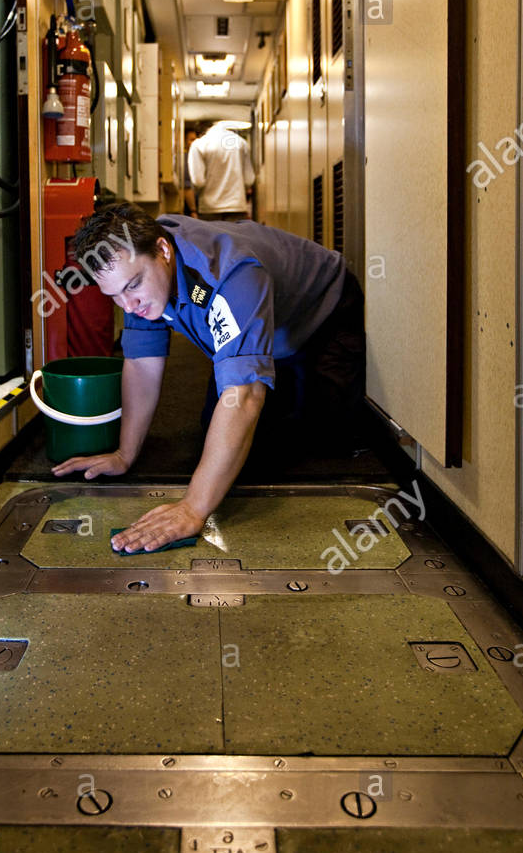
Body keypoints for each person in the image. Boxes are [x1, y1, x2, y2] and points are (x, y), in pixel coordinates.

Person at [52, 203, 366, 553]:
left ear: (163, 250)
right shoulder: (137, 275)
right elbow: (141, 363)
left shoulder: (231, 274)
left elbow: (244, 395)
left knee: (316, 443)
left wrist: (192, 509)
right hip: (259, 330)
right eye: (114, 296)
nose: (127, 306)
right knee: (216, 437)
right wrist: (125, 454)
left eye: (133, 286)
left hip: (321, 317)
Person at [187, 120, 254, 220]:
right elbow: (249, 180)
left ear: (200, 134)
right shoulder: (241, 142)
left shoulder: (198, 144)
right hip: (236, 206)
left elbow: (198, 181)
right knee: (235, 235)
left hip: (210, 208)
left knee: (213, 236)